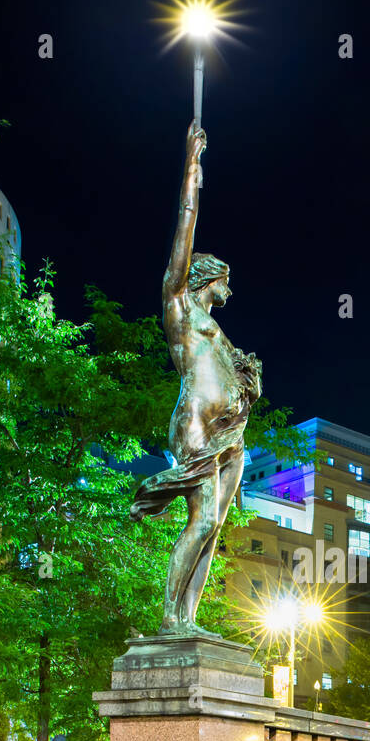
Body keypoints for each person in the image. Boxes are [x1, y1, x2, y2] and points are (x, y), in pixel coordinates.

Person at [130, 123, 262, 634]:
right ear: (209, 278)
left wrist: (248, 379)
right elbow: (185, 222)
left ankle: (187, 618)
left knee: (215, 528)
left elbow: (237, 374)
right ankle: (169, 618)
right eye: (227, 282)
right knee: (201, 519)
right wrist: (192, 164)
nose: (231, 291)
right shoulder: (179, 303)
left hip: (230, 436)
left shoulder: (219, 332)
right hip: (195, 429)